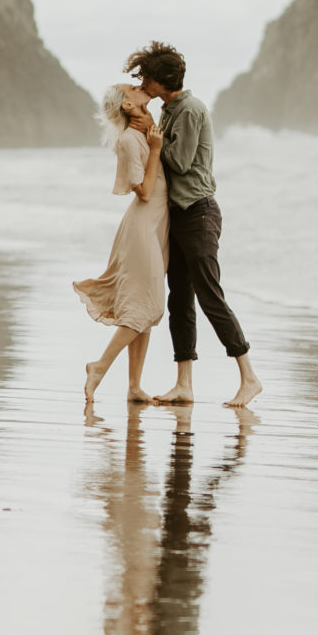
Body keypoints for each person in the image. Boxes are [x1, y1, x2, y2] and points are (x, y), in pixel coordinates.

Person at [123, 40, 261, 408]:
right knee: (179, 300)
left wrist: (153, 130)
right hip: (180, 215)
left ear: (164, 80)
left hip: (199, 213)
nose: (145, 84)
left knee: (209, 294)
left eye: (149, 78)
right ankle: (184, 383)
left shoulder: (190, 109)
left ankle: (249, 377)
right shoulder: (171, 110)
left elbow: (179, 162)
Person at [74, 80, 169, 409]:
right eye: (132, 88)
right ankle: (99, 367)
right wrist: (155, 149)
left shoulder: (145, 130)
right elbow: (142, 191)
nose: (138, 87)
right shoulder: (130, 141)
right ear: (127, 106)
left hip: (155, 227)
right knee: (151, 305)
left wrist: (153, 133)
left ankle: (134, 386)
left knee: (141, 308)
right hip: (141, 228)